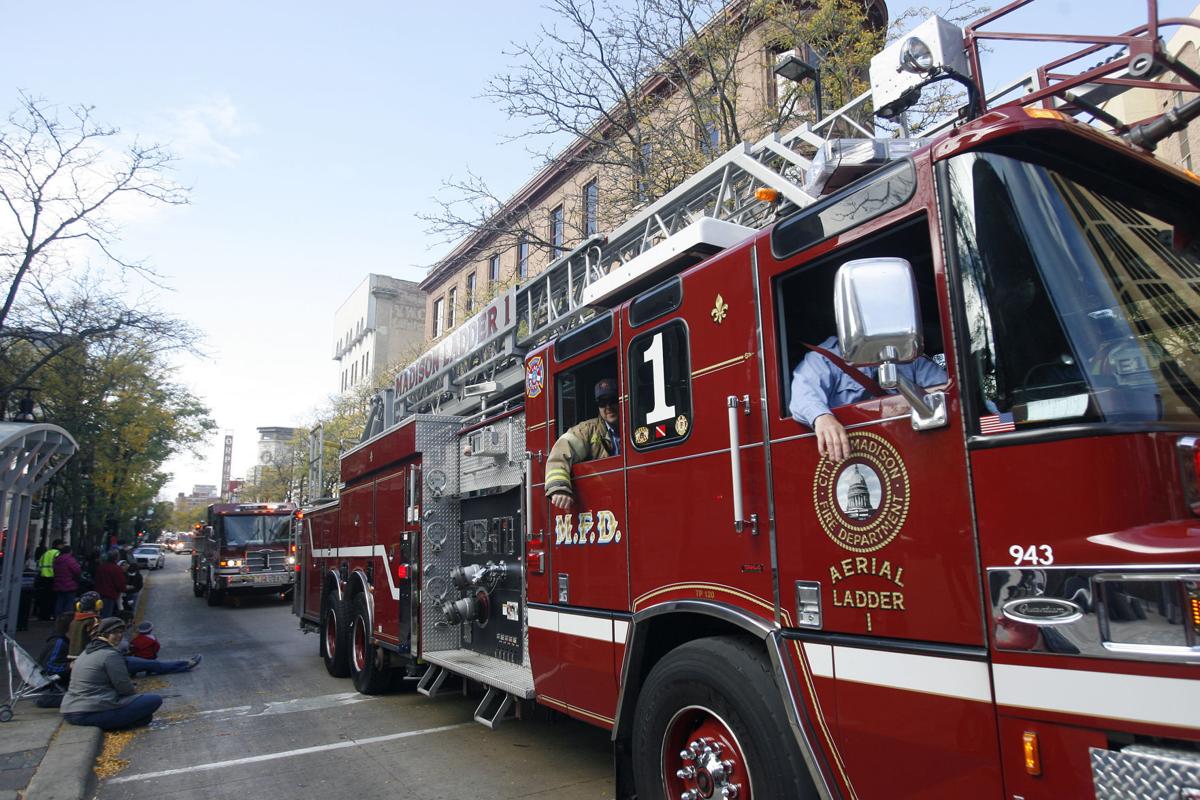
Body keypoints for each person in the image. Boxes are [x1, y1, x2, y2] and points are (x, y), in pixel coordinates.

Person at [790, 336, 947, 461]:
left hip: (916, 448)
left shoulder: (907, 354)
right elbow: (803, 394)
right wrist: (823, 418)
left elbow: (947, 391)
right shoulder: (822, 360)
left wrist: (905, 403)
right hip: (858, 457)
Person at [60, 617, 162, 731]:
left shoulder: (86, 651)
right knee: (154, 700)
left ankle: (122, 722)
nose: (119, 636)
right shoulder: (111, 655)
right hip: (89, 712)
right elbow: (125, 689)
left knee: (144, 716)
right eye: (114, 632)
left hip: (69, 710)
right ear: (104, 634)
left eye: (121, 632)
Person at [545, 378, 621, 510]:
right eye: (602, 403)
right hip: (604, 501)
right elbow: (561, 449)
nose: (608, 407)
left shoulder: (638, 425)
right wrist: (559, 487)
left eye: (612, 400)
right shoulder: (587, 430)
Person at [123, 621, 201, 676]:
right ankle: (186, 664)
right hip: (127, 661)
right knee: (158, 665)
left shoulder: (135, 640)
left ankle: (186, 664)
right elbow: (156, 647)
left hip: (127, 659)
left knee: (157, 665)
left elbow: (131, 649)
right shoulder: (151, 639)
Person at [68, 592, 103, 657]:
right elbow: (97, 641)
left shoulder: (74, 620)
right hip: (87, 656)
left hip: (72, 656)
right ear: (98, 605)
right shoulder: (94, 620)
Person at [51, 546, 82, 620]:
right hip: (69, 584)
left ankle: (58, 617)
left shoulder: (57, 560)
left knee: (59, 601)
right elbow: (77, 570)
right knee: (69, 603)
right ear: (70, 551)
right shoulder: (70, 560)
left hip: (58, 584)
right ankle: (67, 619)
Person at [94, 551, 126, 618]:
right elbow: (120, 584)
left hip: (99, 594)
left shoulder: (101, 567)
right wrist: (123, 589)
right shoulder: (116, 569)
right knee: (107, 615)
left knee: (99, 614)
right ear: (116, 558)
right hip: (110, 595)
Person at [35, 540, 60, 621]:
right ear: (59, 545)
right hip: (53, 577)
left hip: (43, 578)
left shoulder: (46, 553)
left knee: (44, 598)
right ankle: (49, 615)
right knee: (52, 599)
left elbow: (40, 563)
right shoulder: (57, 553)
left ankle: (42, 615)